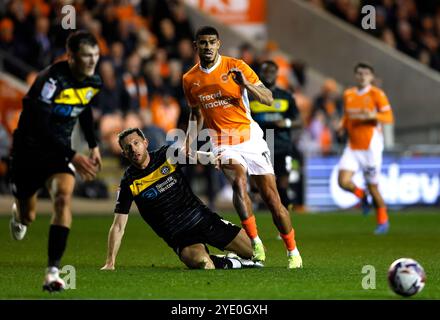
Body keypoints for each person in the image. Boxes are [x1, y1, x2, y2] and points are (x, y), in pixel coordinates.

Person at [182, 26, 303, 269]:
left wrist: (246, 84)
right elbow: (196, 113)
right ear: (196, 46)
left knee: (272, 199)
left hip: (251, 138)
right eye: (202, 43)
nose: (207, 47)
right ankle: (255, 241)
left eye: (211, 42)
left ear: (219, 44)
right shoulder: (189, 79)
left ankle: (293, 250)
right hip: (222, 142)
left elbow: (267, 98)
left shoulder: (236, 67)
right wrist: (189, 141)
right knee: (238, 180)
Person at [9, 30, 102, 292]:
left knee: (63, 197)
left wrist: (93, 144)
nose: (92, 60)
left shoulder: (94, 82)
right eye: (86, 55)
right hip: (29, 150)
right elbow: (38, 126)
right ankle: (19, 214)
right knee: (28, 216)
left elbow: (84, 108)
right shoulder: (49, 81)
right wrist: (74, 154)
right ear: (71, 56)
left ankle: (52, 272)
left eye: (95, 55)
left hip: (58, 153)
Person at [101, 128, 260, 270]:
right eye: (128, 147)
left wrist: (216, 158)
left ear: (145, 142)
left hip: (204, 219)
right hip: (181, 237)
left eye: (136, 143)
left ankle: (237, 259)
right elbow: (118, 226)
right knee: (205, 264)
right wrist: (110, 262)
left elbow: (193, 156)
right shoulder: (128, 182)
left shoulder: (166, 155)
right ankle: (230, 262)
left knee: (257, 253)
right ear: (124, 153)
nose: (133, 149)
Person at [337, 62, 393, 234]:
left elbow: (388, 117)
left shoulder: (377, 94)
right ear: (356, 76)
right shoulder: (348, 94)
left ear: (371, 77)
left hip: (371, 147)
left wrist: (374, 115)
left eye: (366, 74)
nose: (362, 76)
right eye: (359, 73)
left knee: (373, 186)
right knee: (343, 182)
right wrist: (341, 125)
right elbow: (348, 115)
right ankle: (362, 197)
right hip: (353, 146)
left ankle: (383, 221)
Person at [249, 60, 304, 211]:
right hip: (259, 144)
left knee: (282, 183)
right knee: (255, 184)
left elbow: (299, 121)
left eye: (272, 71)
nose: (268, 75)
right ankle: (254, 215)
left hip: (281, 144)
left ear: (277, 74)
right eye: (265, 71)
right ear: (260, 73)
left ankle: (285, 219)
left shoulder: (286, 96)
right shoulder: (251, 96)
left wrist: (285, 123)